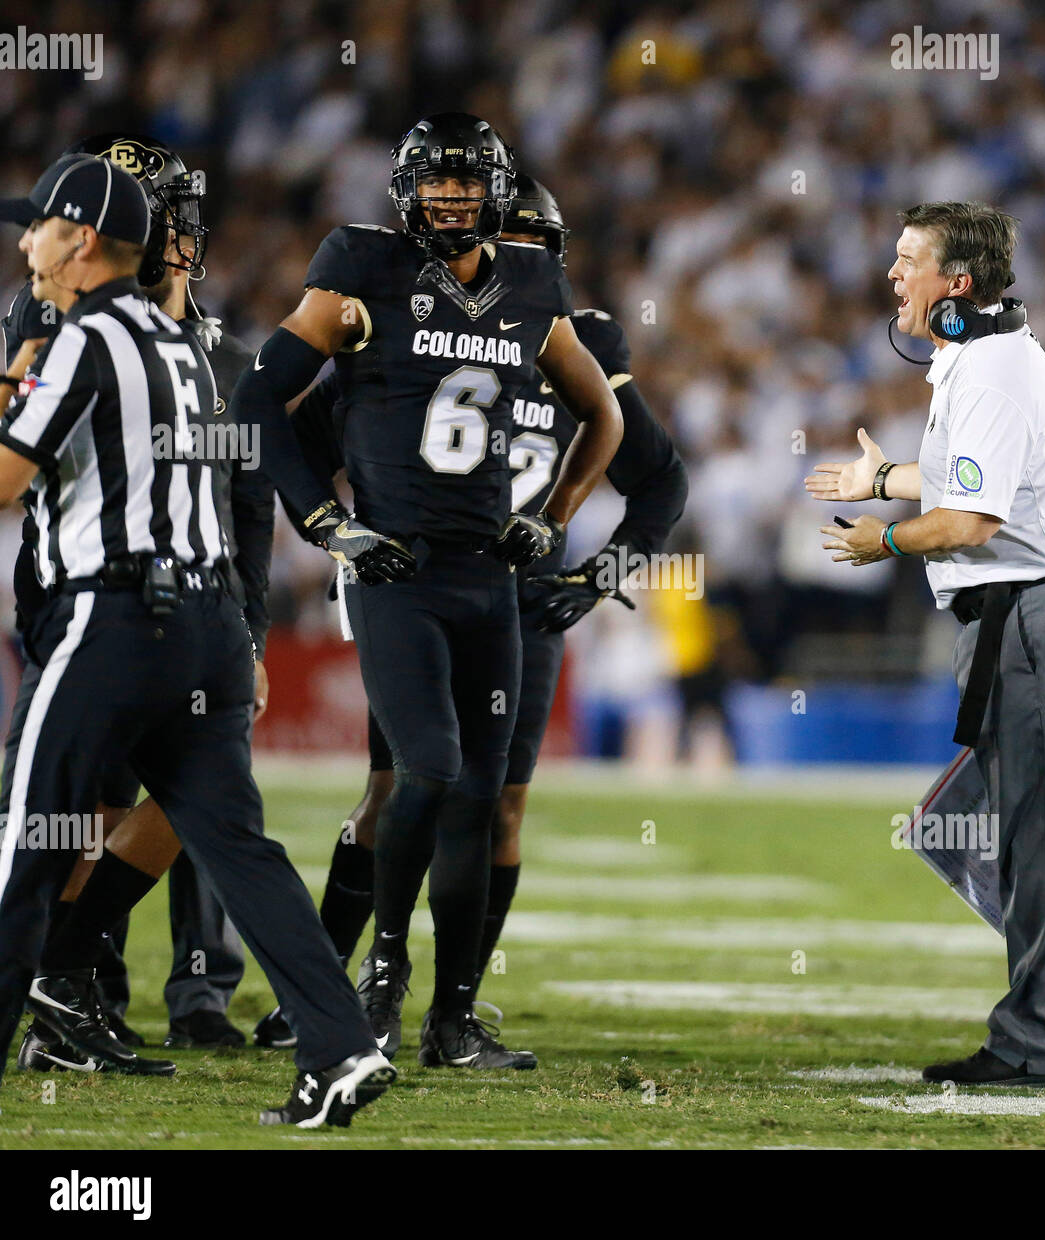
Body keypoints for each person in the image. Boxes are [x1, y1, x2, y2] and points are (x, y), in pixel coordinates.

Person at [0, 152, 393, 1127]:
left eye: (40, 228)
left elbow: (6, 479)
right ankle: (340, 1047)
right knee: (241, 849)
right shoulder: (190, 344)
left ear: (82, 241)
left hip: (115, 616)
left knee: (26, 845)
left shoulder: (84, 336)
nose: (24, 244)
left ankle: (49, 994)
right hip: (211, 623)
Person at [252, 174, 688, 1051]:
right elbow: (308, 427)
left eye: (533, 246)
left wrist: (599, 570)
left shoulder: (575, 333)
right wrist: (342, 523)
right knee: (402, 785)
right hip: (416, 578)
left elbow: (657, 476)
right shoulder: (405, 321)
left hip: (522, 602)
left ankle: (453, 1008)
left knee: (494, 806)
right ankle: (334, 991)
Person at [808, 201, 1045, 1088]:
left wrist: (885, 538)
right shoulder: (986, 355)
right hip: (1040, 611)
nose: (893, 275)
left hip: (1034, 615)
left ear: (957, 282)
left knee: (1039, 836)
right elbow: (973, 481)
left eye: (910, 260)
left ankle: (1036, 1043)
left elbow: (974, 518)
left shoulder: (985, 371)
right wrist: (890, 479)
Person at [3, 133, 269, 1071]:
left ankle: (70, 983)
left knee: (173, 808)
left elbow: (247, 513)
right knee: (62, 817)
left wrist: (253, 631)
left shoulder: (222, 356)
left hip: (191, 611)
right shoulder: (46, 318)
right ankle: (64, 1001)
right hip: (78, 599)